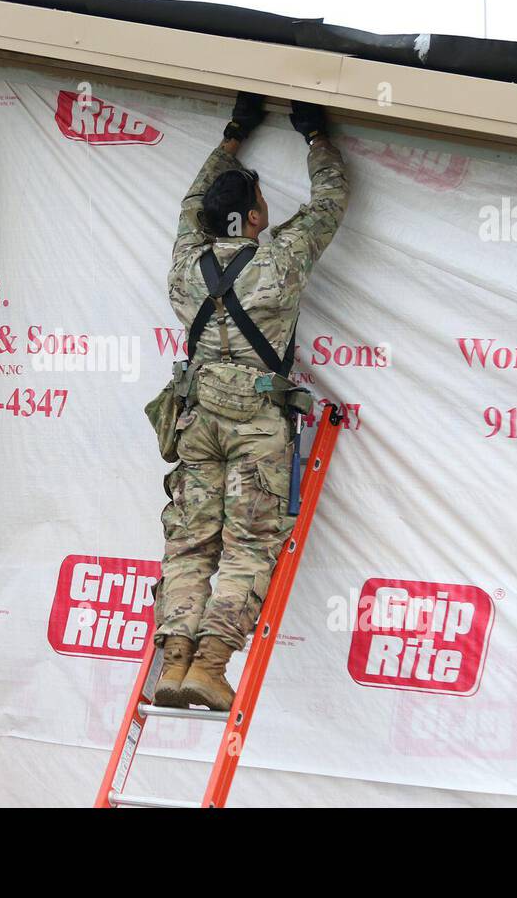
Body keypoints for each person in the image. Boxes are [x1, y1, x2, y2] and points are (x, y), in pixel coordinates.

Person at [154, 91, 349, 709]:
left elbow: (193, 202)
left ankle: (174, 662)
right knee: (248, 543)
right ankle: (209, 667)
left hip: (196, 420)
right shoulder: (282, 261)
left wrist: (234, 134)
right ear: (257, 221)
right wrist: (315, 137)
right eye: (262, 203)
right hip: (257, 423)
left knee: (189, 540)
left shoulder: (186, 262)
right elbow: (330, 201)